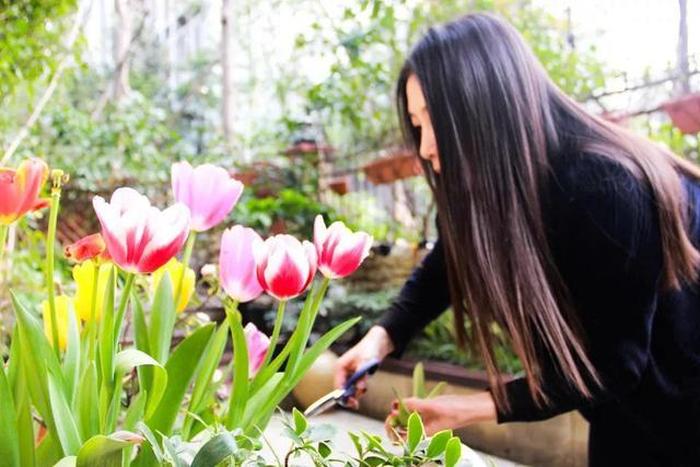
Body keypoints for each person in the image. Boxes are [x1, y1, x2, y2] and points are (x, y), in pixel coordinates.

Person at [334, 12, 700, 467]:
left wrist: (466, 408)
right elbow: (450, 260)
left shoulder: (607, 187)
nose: (425, 146)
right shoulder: (511, 186)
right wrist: (381, 338)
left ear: (485, 108)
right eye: (417, 124)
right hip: (625, 415)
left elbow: (613, 363)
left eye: (433, 121)